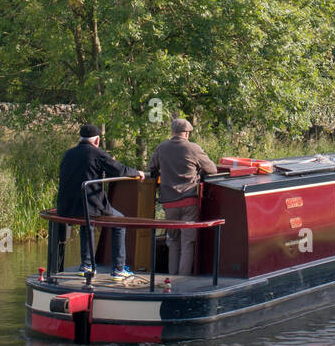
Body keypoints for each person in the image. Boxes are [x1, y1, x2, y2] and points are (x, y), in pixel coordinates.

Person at [57, 124, 144, 280]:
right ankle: (118, 269)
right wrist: (137, 173)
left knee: (87, 223)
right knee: (120, 222)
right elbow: (119, 170)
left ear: (81, 138)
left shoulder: (68, 154)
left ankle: (86, 264)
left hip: (66, 207)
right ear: (97, 140)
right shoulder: (97, 153)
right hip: (90, 205)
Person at [148, 118, 218, 276]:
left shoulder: (162, 148)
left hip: (169, 203)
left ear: (172, 132)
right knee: (188, 242)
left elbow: (151, 168)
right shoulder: (193, 148)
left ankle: (171, 276)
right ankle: (183, 279)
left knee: (173, 241)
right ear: (186, 133)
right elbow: (212, 169)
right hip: (188, 200)